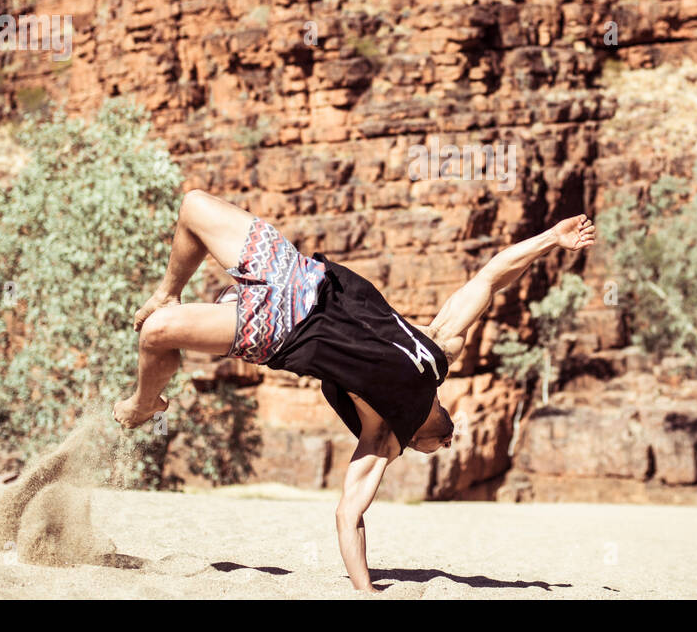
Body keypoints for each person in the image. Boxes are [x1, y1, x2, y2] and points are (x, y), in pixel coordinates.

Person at [113, 189, 596, 590]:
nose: (450, 437)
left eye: (440, 447)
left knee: (155, 333)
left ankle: (143, 404)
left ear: (416, 445)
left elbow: (348, 516)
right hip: (299, 272)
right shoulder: (436, 353)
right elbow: (490, 278)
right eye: (450, 437)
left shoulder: (382, 435)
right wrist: (552, 238)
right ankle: (167, 291)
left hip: (281, 328)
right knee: (194, 204)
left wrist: (365, 590)